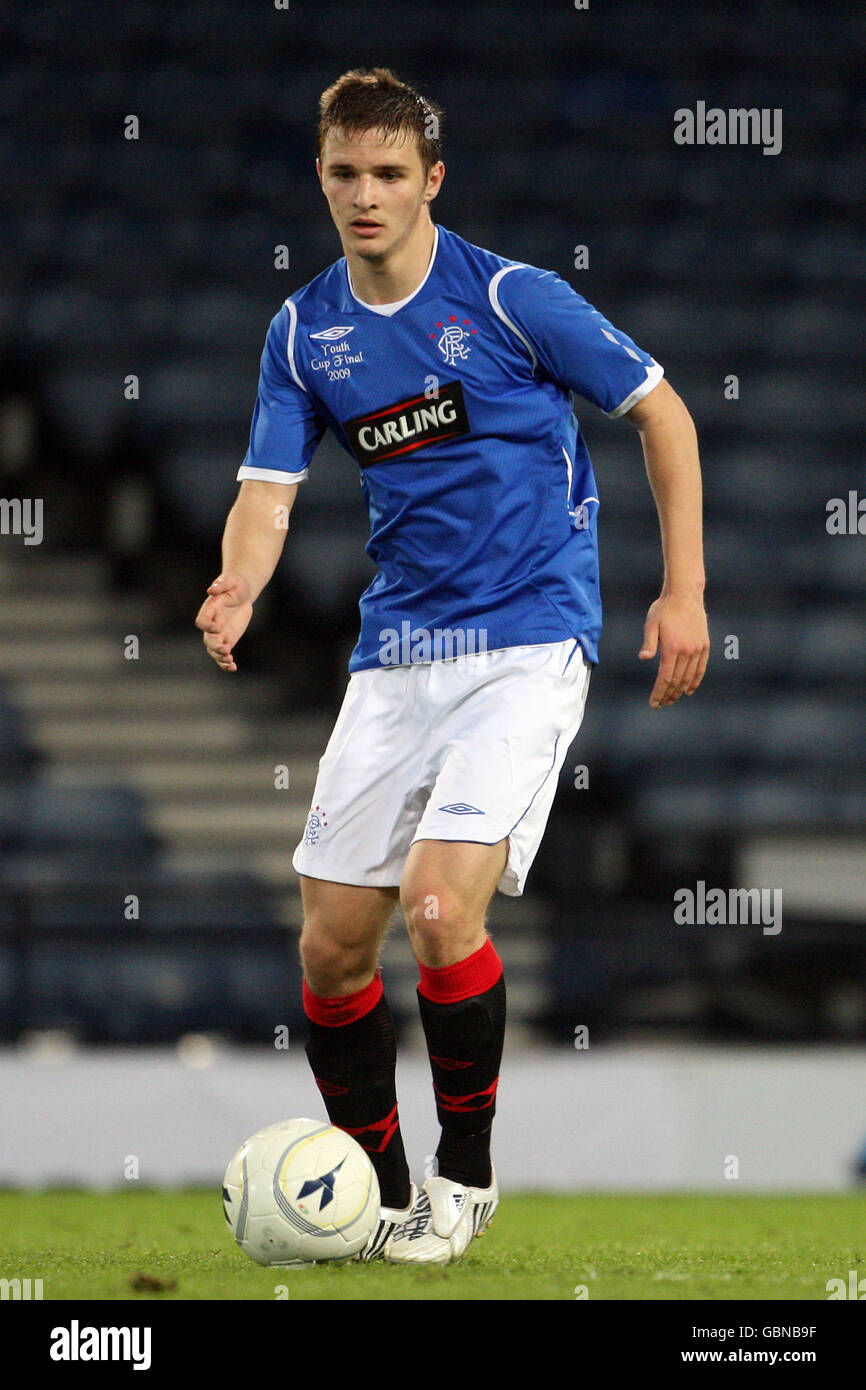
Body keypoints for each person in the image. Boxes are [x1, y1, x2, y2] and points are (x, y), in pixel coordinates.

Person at [195, 66, 710, 1264]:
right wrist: (239, 581)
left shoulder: (514, 298)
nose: (364, 196)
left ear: (431, 179)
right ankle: (371, 1197)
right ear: (319, 179)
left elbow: (664, 413)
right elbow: (264, 495)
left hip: (526, 643)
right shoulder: (301, 331)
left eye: (387, 174)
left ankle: (461, 1180)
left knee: (435, 909)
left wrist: (681, 590)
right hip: (395, 657)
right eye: (342, 174)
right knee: (329, 945)